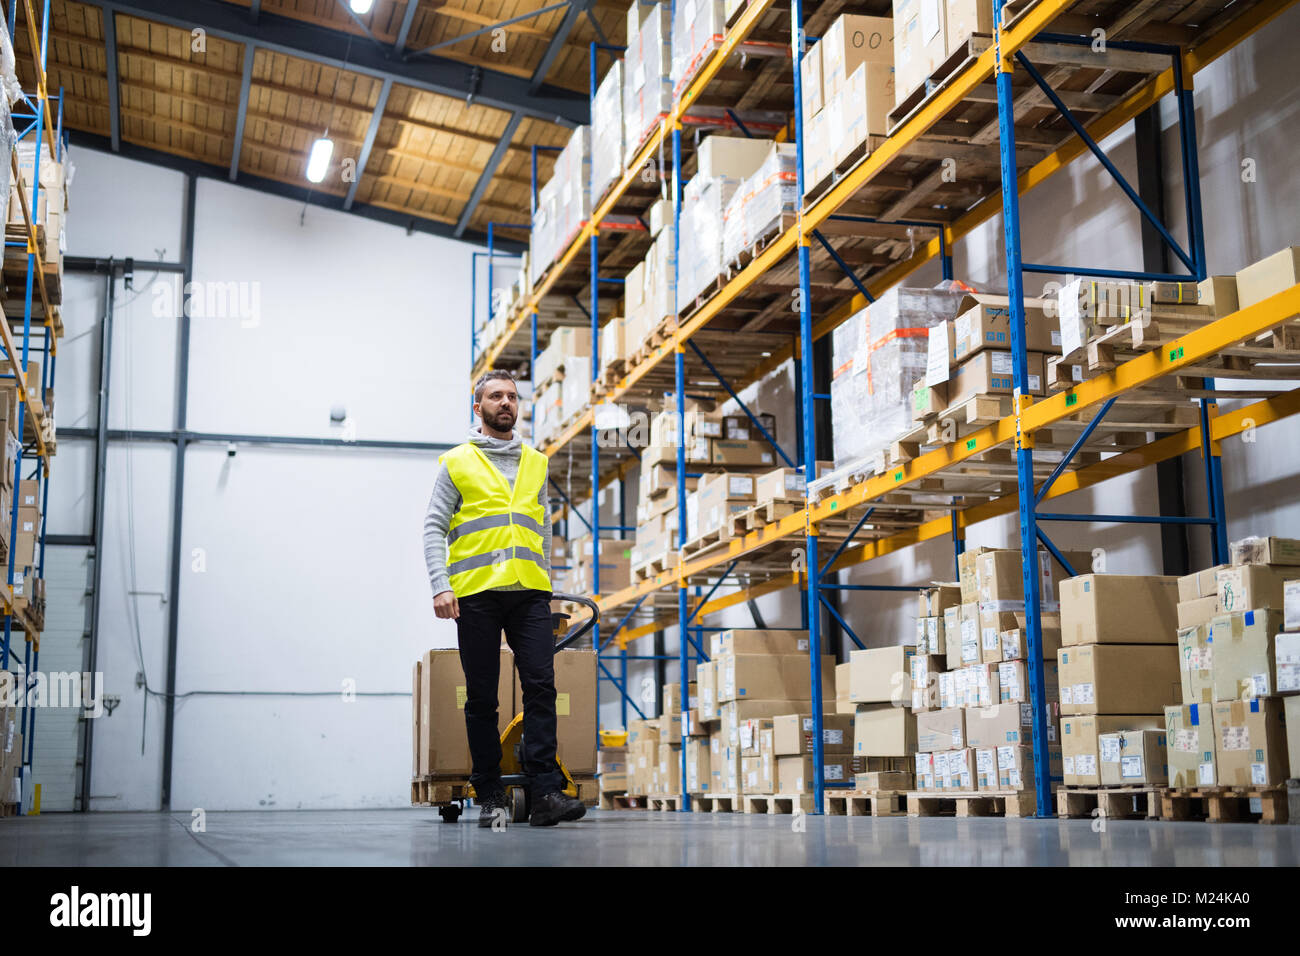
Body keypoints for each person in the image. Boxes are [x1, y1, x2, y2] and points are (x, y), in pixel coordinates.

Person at [422, 369, 586, 828]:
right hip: (476, 593)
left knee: (541, 686)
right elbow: (434, 526)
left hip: (529, 593)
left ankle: (545, 792)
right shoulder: (456, 461)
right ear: (479, 408)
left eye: (512, 397)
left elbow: (543, 524)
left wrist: (547, 582)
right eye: (496, 396)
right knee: (481, 697)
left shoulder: (536, 460)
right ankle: (490, 792)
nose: (506, 403)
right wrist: (441, 584)